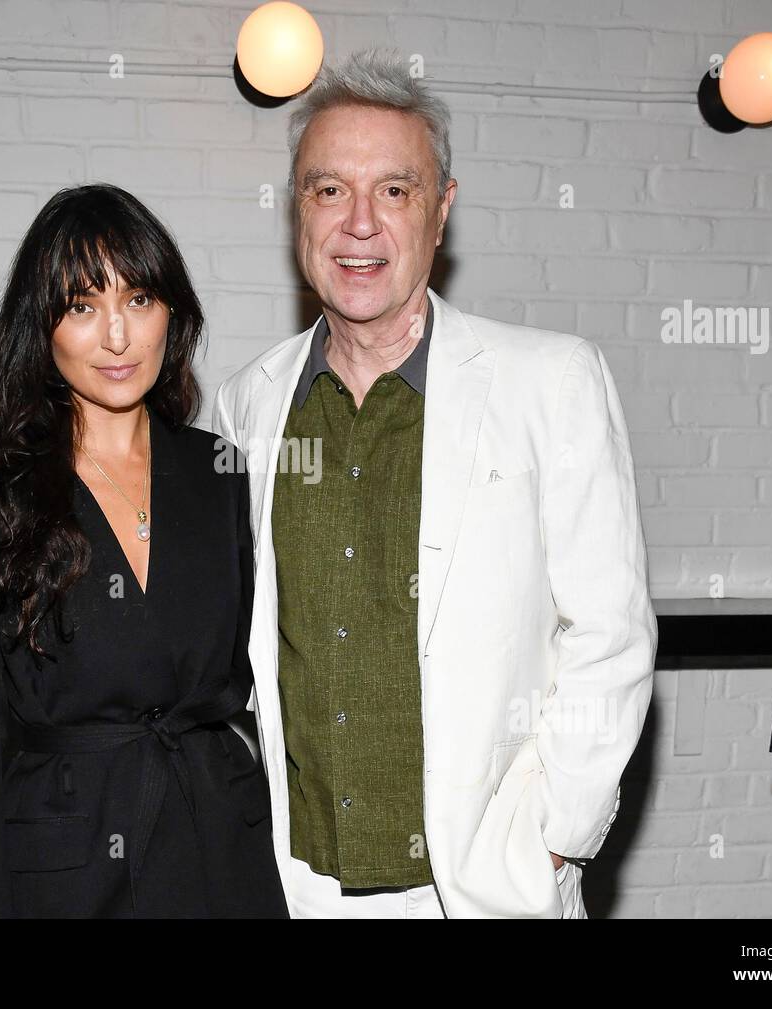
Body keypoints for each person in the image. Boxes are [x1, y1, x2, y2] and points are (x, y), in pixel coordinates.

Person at [211, 49, 658, 918]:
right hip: (293, 885)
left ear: (441, 211)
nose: (360, 224)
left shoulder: (551, 382)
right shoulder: (246, 406)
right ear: (295, 211)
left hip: (481, 887)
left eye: (396, 189)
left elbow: (610, 632)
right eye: (329, 189)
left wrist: (554, 836)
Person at [0, 183, 288, 918]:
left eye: (139, 299)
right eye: (83, 306)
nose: (118, 336)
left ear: (171, 313)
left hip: (223, 856)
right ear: (40, 326)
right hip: (66, 877)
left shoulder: (222, 474)